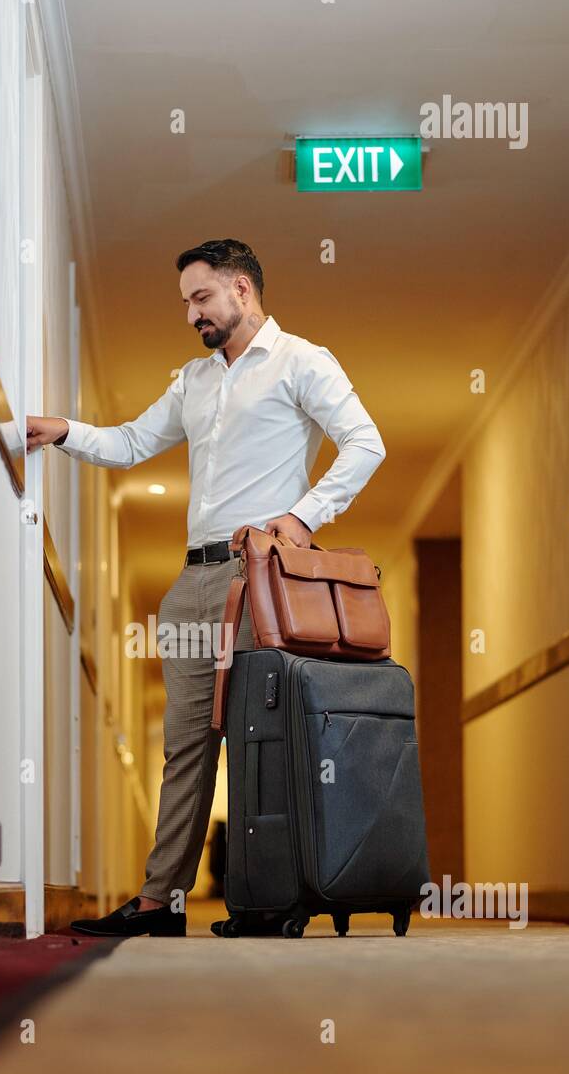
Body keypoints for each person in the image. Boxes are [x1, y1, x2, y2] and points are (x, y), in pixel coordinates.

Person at [26, 239, 386, 937]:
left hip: (260, 576)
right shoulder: (193, 380)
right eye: (187, 302)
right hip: (192, 584)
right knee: (187, 743)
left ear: (243, 290)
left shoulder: (301, 362)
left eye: (202, 298)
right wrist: (63, 429)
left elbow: (364, 442)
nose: (193, 314)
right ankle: (161, 902)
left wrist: (299, 517)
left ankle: (270, 896)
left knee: (261, 735)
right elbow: (131, 442)